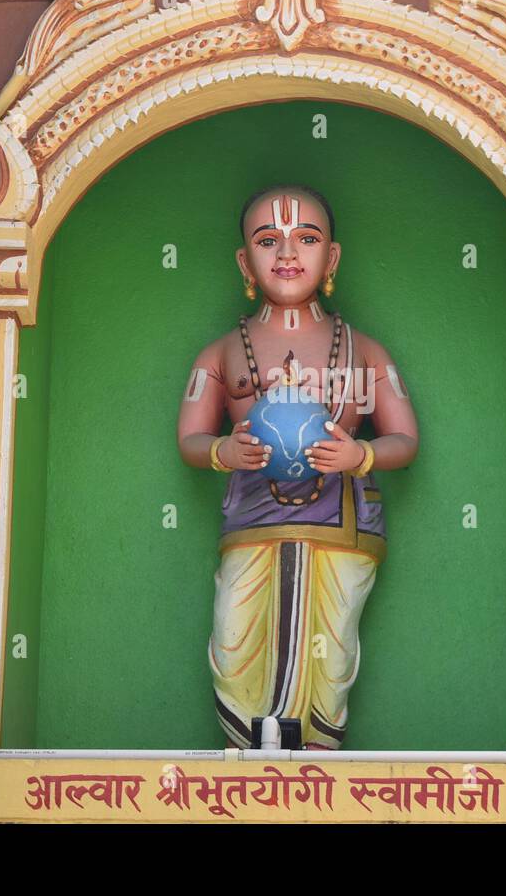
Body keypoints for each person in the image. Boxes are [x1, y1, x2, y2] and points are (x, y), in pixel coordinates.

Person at [177, 185, 419, 749]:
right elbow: (190, 436)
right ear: (245, 260)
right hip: (253, 517)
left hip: (342, 520)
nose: (288, 252)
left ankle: (314, 755)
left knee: (329, 651)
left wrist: (360, 456)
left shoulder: (365, 350)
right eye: (268, 240)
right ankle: (251, 758)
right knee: (234, 641)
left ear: (331, 257)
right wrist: (222, 452)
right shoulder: (221, 353)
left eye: (307, 238)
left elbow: (405, 439)